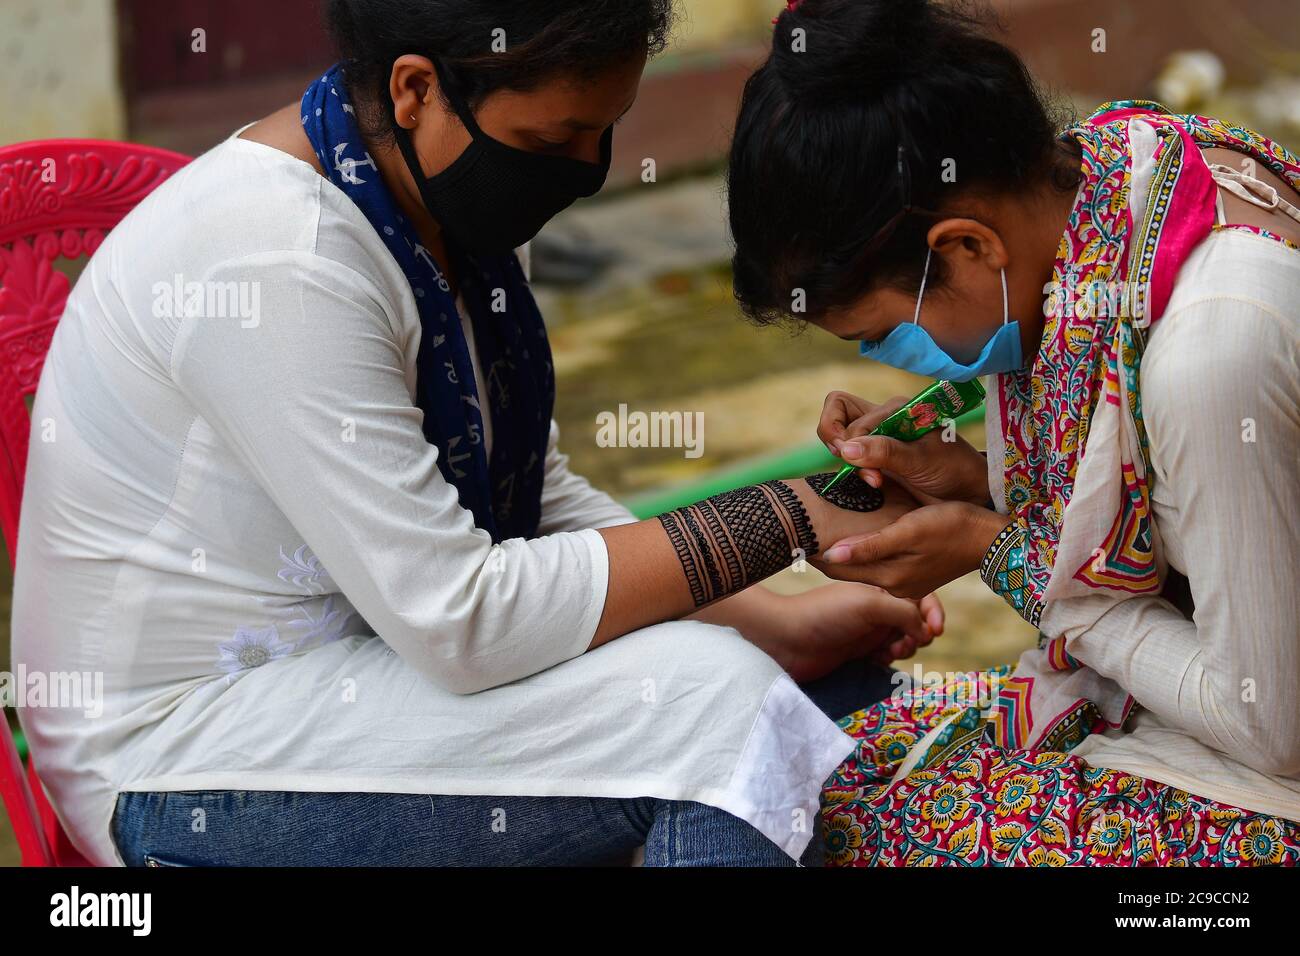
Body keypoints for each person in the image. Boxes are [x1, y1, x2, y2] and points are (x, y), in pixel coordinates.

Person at [12, 0, 946, 867]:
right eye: (555, 139)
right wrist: (783, 517)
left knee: (813, 711)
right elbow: (466, 618)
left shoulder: (428, 194)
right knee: (717, 714)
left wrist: (770, 623)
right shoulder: (277, 261)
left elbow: (533, 503)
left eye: (604, 129)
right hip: (180, 760)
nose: (586, 170)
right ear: (417, 90)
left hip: (373, 677)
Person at [726, 0, 1299, 865]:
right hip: (1205, 697)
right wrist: (972, 477)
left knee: (850, 837)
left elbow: (1269, 723)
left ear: (967, 247)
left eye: (881, 333)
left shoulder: (1210, 350)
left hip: (1267, 760)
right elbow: (1178, 493)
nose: (898, 362)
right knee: (807, 777)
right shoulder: (1112, 177)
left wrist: (1003, 548)